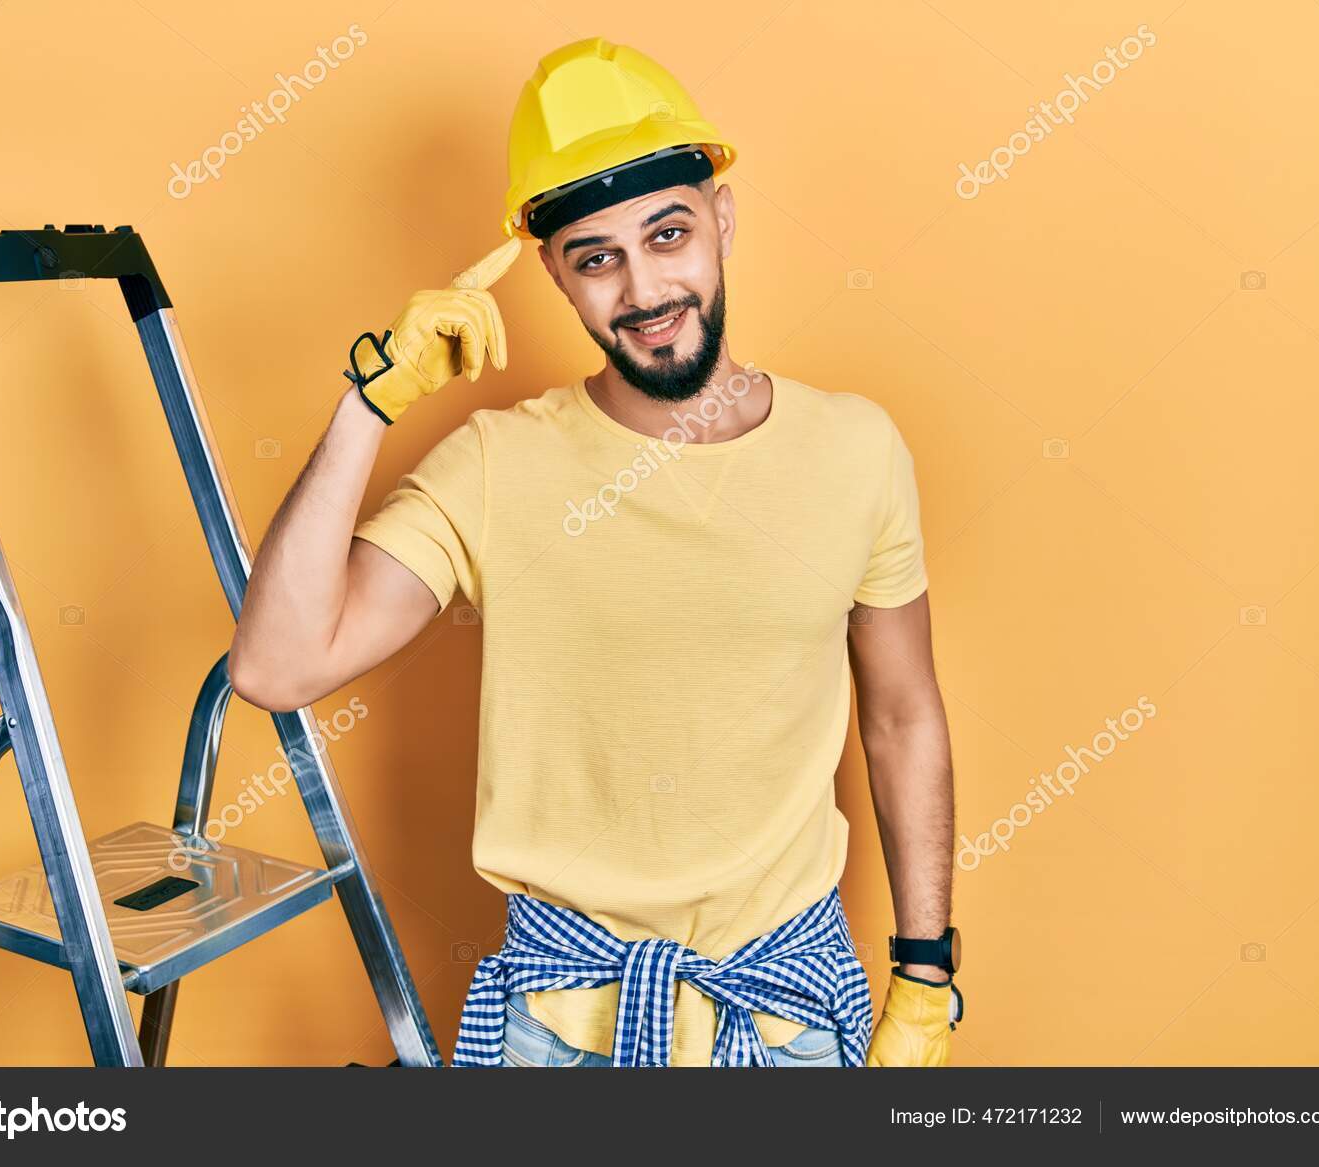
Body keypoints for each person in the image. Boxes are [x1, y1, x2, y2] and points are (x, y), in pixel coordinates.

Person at [228, 36, 963, 1067]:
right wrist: (370, 399)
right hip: (563, 1022)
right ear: (556, 280)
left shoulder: (856, 449)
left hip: (788, 1007)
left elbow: (901, 714)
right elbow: (275, 664)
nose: (646, 288)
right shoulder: (496, 464)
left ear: (723, 221)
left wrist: (925, 974)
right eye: (597, 259)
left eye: (669, 235)